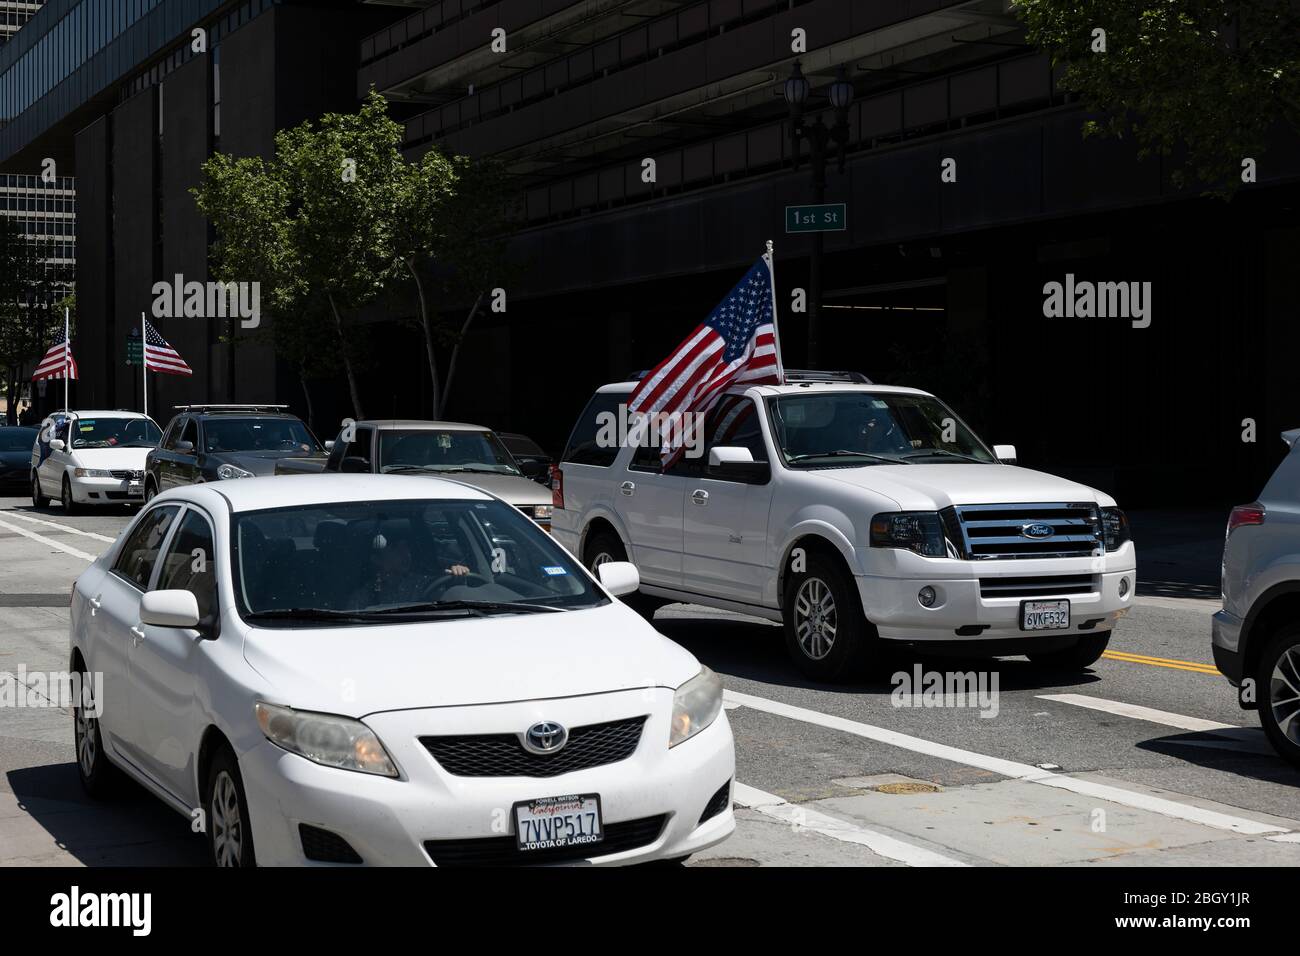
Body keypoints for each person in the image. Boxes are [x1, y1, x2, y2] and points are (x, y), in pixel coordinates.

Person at [348, 528, 472, 609]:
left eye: (407, 548)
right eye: (396, 548)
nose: (406, 554)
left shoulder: (425, 584)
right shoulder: (363, 597)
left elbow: (449, 601)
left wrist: (458, 580)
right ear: (376, 559)